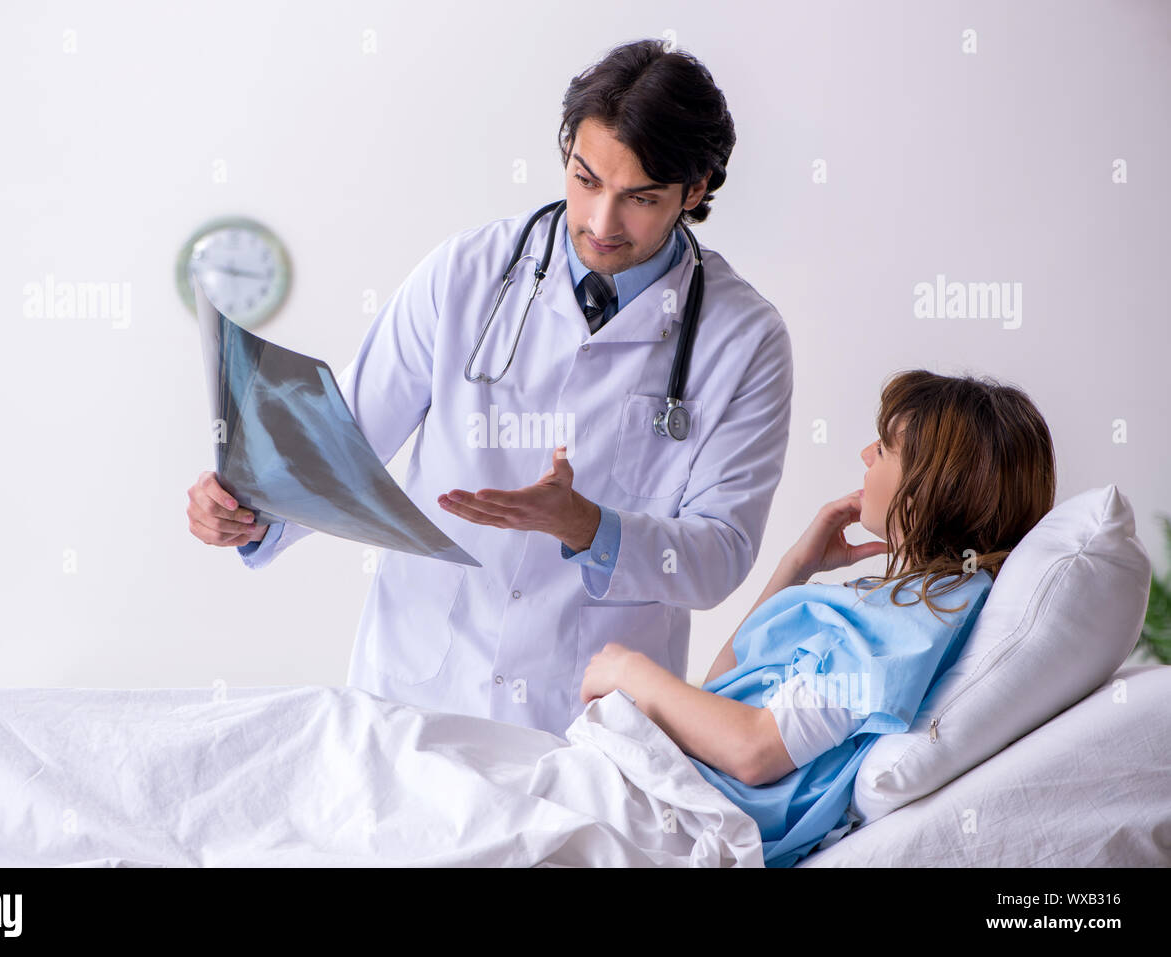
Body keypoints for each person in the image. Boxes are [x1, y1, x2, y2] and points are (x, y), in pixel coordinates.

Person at [186, 39, 795, 737]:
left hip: (587, 728)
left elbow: (718, 557)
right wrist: (247, 506)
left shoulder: (745, 340)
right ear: (567, 150)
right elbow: (340, 438)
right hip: (418, 695)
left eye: (640, 199)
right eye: (585, 178)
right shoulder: (467, 274)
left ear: (695, 189)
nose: (601, 222)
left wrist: (587, 527)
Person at [578, 369, 1057, 866]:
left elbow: (753, 751)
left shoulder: (909, 625)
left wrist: (630, 671)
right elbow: (728, 684)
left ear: (931, 490)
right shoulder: (904, 604)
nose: (866, 455)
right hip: (666, 795)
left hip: (678, 816)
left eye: (886, 449)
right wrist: (797, 567)